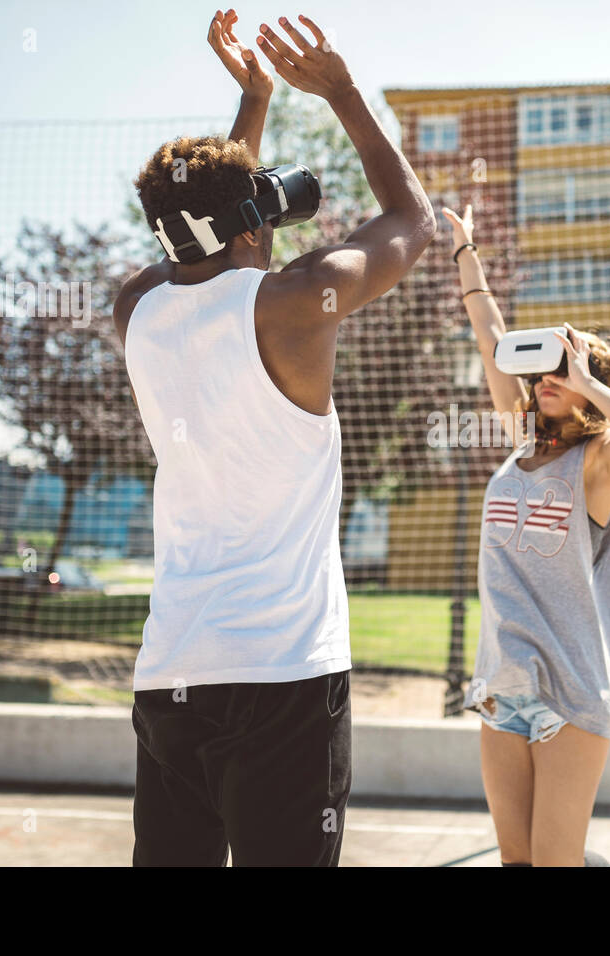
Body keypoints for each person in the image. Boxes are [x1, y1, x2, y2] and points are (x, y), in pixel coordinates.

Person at [113, 10, 435, 866]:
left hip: (172, 670)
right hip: (284, 676)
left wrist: (248, 103)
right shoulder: (298, 301)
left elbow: (197, 239)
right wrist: (341, 92)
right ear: (255, 221)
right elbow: (414, 218)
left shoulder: (135, 310)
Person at [442, 202, 610, 867]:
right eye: (543, 373)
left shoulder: (599, 464)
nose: (546, 382)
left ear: (588, 386)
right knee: (517, 863)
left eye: (562, 375)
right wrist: (466, 252)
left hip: (570, 691)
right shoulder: (520, 440)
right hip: (501, 684)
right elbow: (490, 336)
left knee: (554, 864)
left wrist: (585, 381)